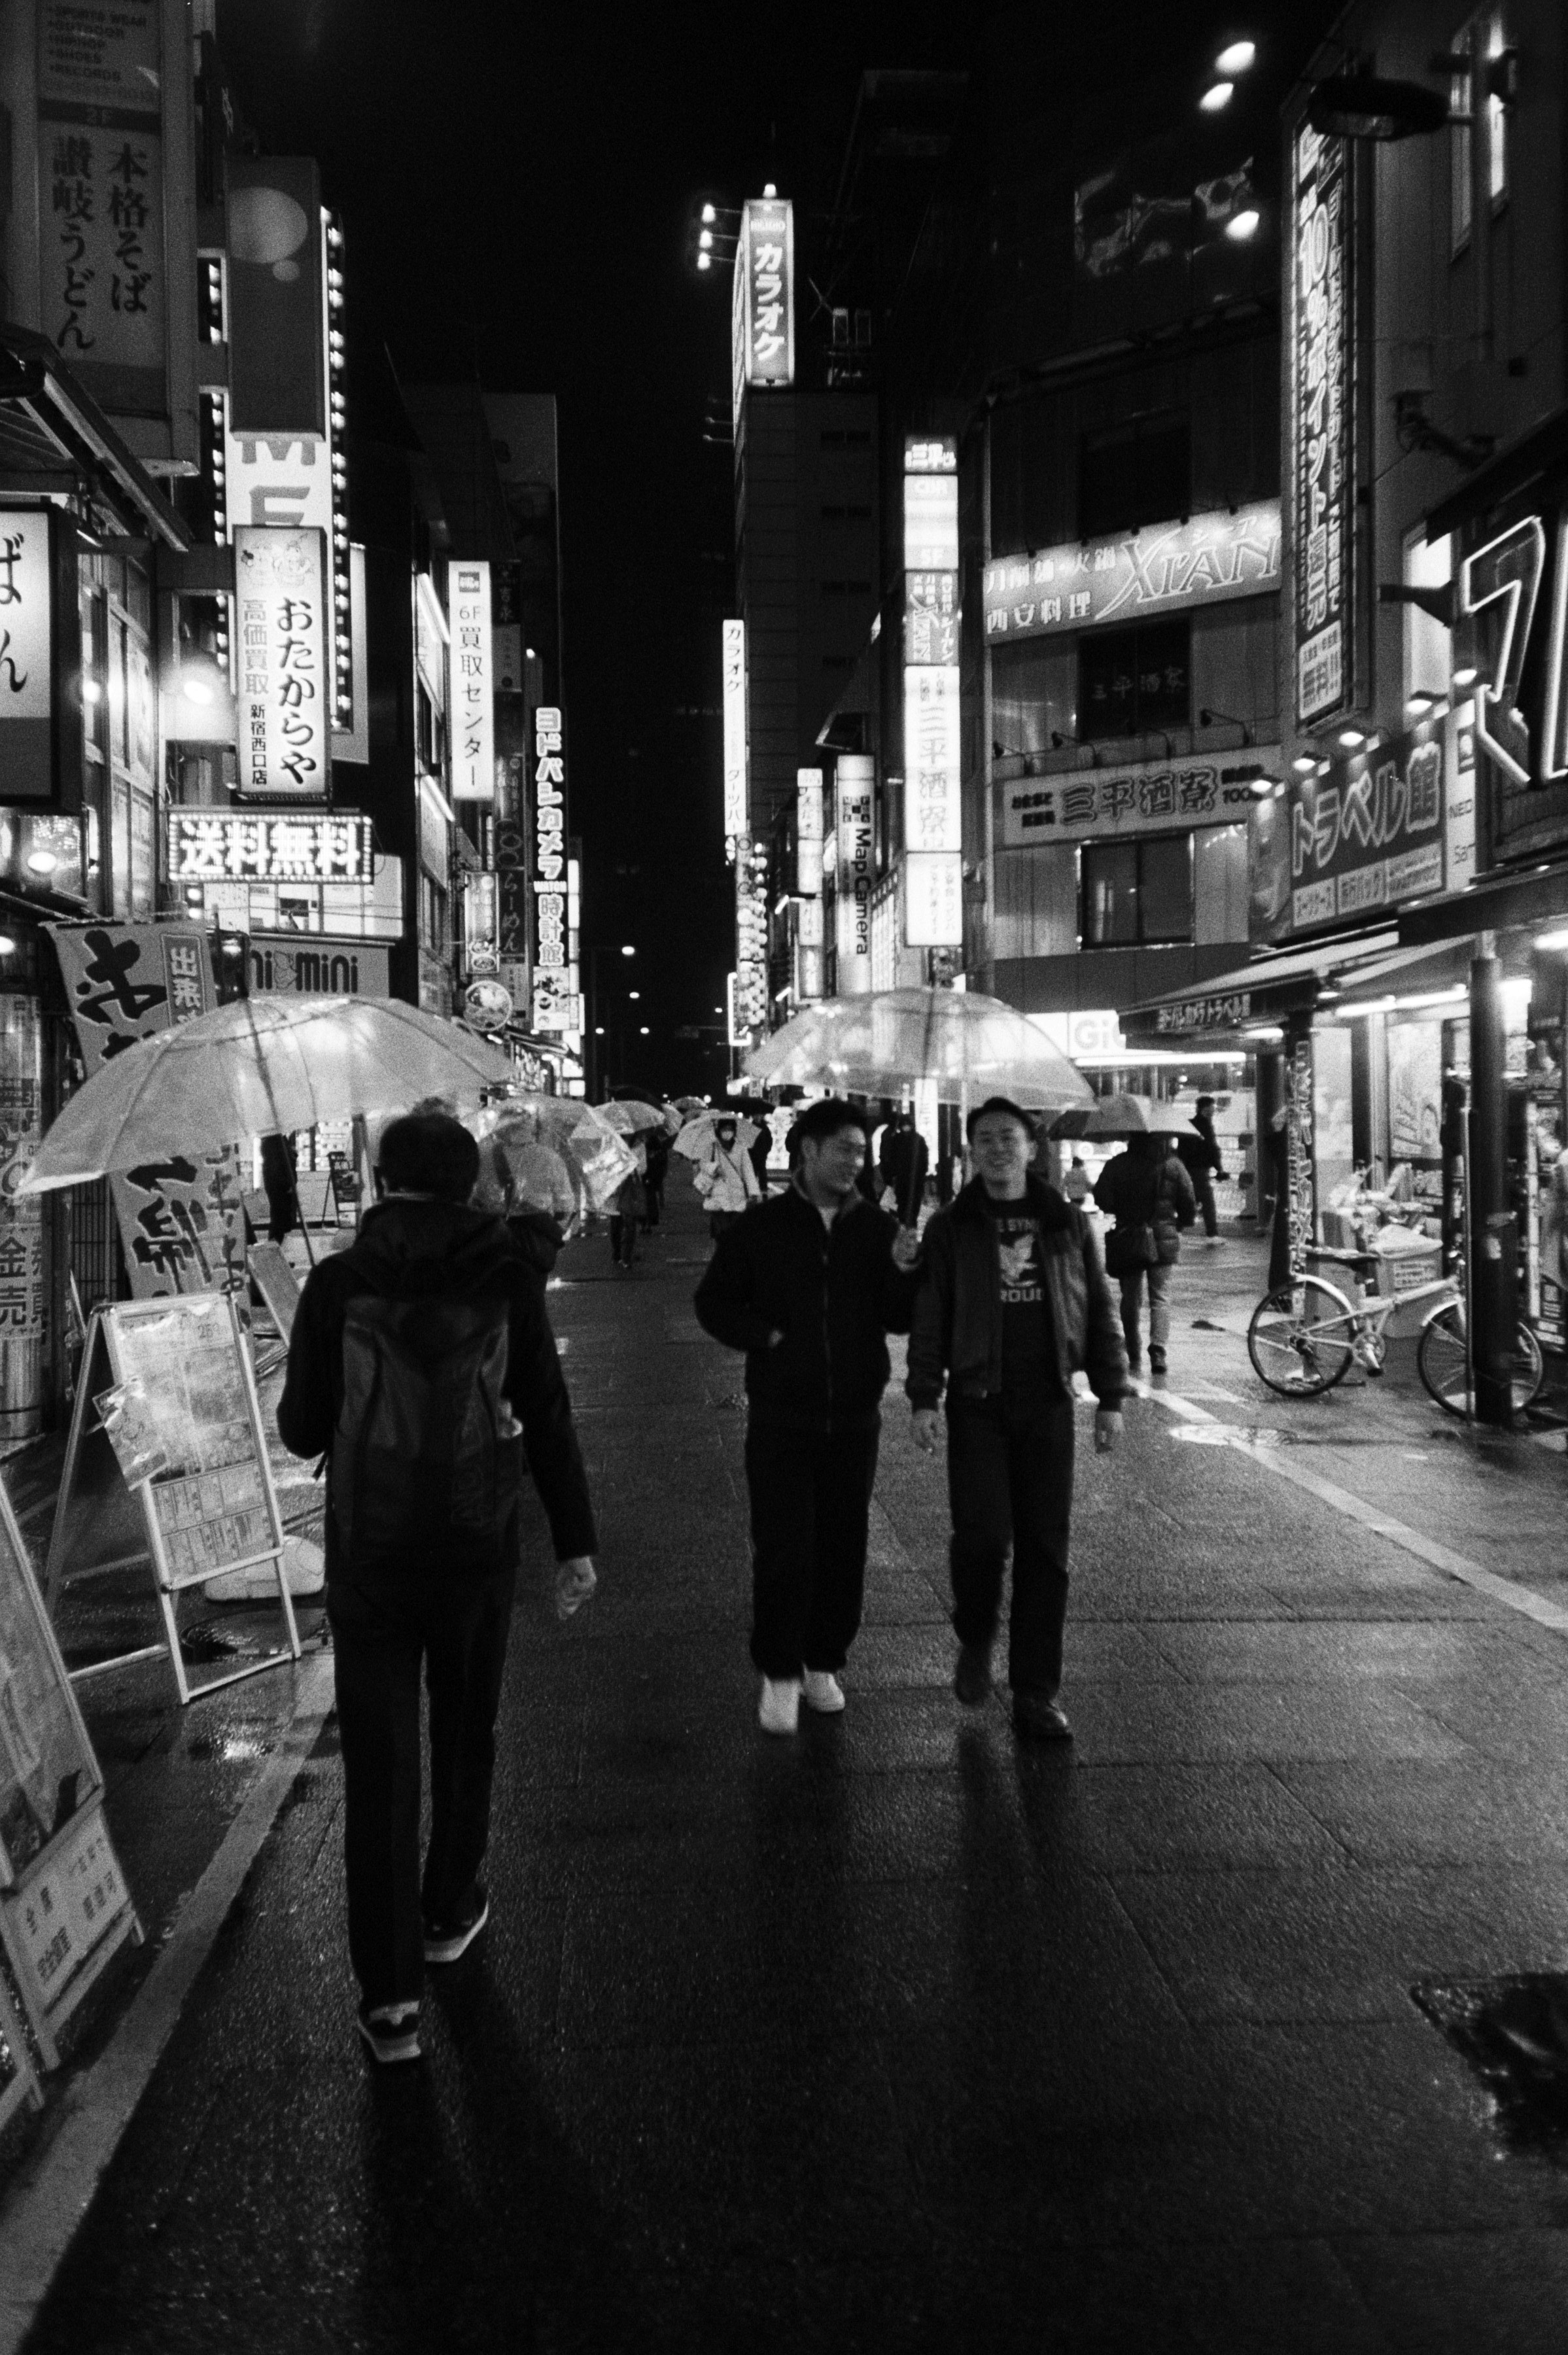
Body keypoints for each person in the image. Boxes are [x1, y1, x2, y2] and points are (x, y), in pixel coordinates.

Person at [276, 1110, 597, 2068]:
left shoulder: (337, 1280)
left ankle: (389, 2004)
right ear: (473, 1186)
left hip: (368, 1552)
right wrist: (574, 1543)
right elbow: (545, 1408)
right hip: (474, 1543)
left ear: (381, 1179)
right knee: (466, 1732)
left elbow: (299, 1432)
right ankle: (448, 1906)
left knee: (380, 1766)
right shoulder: (507, 1275)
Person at [693, 1098, 920, 1734]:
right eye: (844, 1148)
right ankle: (779, 1671)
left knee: (844, 1547)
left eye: (860, 1151)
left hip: (854, 1419)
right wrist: (763, 1337)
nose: (855, 1161)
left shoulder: (877, 1230)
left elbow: (899, 1317)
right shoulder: (760, 1229)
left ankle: (824, 1661)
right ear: (809, 1151)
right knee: (783, 1547)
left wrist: (906, 1269)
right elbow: (713, 1302)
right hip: (781, 1420)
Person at [907, 1098, 1127, 1741]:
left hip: (1049, 1402)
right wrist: (924, 1396)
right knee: (981, 1538)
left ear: (1032, 1149)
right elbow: (930, 1316)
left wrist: (1110, 1395)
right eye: (985, 1138)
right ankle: (976, 1637)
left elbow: (1098, 1307)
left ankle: (1036, 1691)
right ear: (971, 1151)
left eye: (1009, 1137)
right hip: (977, 1402)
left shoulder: (1064, 1222)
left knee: (1045, 1552)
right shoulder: (952, 1226)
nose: (997, 1148)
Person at [1092, 1130, 1196, 1378]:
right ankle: (1158, 1350)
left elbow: (1102, 1198)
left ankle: (1133, 1347)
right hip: (1164, 1236)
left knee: (1131, 1296)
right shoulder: (1173, 1164)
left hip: (1130, 1236)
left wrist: (1123, 1210)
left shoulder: (1119, 1164)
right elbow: (1188, 1200)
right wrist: (1181, 1222)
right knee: (1160, 1296)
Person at [694, 1115, 761, 1238]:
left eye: (730, 1129)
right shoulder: (712, 1147)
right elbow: (703, 1165)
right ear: (719, 1130)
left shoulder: (741, 1148)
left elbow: (748, 1171)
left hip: (738, 1195)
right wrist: (714, 1168)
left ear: (734, 1131)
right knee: (722, 1233)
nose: (727, 1132)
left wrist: (753, 1193)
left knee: (735, 1232)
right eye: (725, 1129)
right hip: (717, 1194)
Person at [1176, 1096, 1228, 1244]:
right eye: (1212, 1107)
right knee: (1207, 1201)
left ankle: (1177, 1229)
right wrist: (1219, 1169)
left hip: (1190, 1168)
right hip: (1200, 1169)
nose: (1214, 1110)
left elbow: (1183, 1149)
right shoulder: (1205, 1125)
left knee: (1192, 1200)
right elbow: (1211, 1148)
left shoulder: (1190, 1125)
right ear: (1205, 1109)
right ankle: (1212, 1235)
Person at [879, 1110, 930, 1225]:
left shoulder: (919, 1140)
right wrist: (892, 1175)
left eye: (908, 1124)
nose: (906, 1128)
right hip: (902, 1181)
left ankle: (911, 1227)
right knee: (903, 1208)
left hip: (915, 1181)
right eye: (904, 1125)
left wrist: (921, 1174)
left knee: (914, 1207)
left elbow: (924, 1160)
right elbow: (891, 1159)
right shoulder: (896, 1140)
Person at [608, 1147, 646, 1270]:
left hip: (629, 1191)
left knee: (630, 1226)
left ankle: (626, 1257)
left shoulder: (638, 1145)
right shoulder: (611, 1143)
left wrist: (630, 1166)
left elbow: (643, 1168)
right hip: (615, 1190)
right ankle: (617, 1253)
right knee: (616, 1225)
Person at [260, 1130, 300, 1246]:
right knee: (279, 1220)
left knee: (281, 1220)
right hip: (280, 1187)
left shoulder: (279, 1140)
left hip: (280, 1186)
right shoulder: (274, 1141)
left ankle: (276, 1249)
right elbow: (276, 1166)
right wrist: (287, 1184)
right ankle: (274, 1249)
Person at [642, 1131, 670, 1229]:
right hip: (656, 1176)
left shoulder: (645, 1147)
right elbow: (664, 1162)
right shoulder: (661, 1147)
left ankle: (646, 1222)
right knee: (652, 1198)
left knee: (647, 1199)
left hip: (647, 1176)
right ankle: (651, 1221)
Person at [748, 1113, 773, 1199]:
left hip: (762, 1155)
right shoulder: (750, 1127)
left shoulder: (765, 1128)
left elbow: (769, 1141)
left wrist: (766, 1151)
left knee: (762, 1174)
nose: (758, 1117)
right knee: (753, 1174)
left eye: (759, 1115)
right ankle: (753, 1193)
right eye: (756, 1115)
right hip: (752, 1155)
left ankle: (764, 1192)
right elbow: (747, 1142)